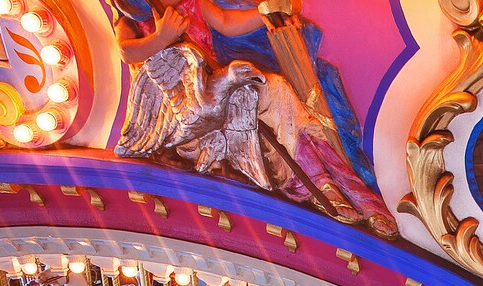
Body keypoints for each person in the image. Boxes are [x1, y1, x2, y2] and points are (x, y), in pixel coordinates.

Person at [113, 0, 377, 190]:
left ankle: (322, 173)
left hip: (216, 84)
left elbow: (226, 23)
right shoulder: (136, 21)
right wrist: (161, 37)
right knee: (257, 97)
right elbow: (127, 51)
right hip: (184, 106)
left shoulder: (195, 5)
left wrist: (265, 11)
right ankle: (302, 177)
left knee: (276, 89)